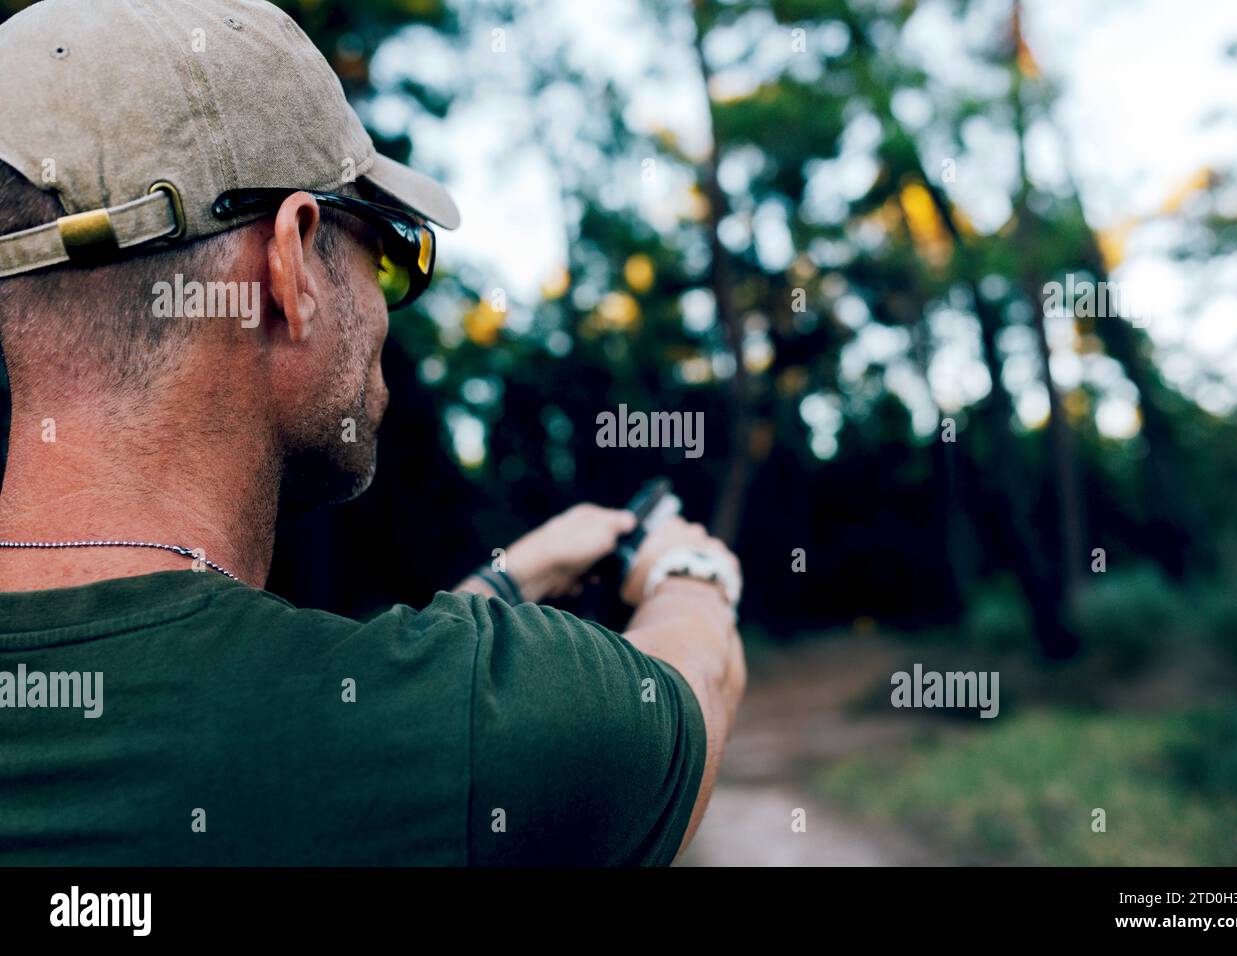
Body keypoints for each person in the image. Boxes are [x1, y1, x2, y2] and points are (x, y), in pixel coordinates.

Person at [0, 0, 745, 866]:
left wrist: (513, 577)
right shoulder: (482, 737)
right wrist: (685, 572)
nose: (390, 310)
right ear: (291, 263)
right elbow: (687, 695)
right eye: (388, 254)